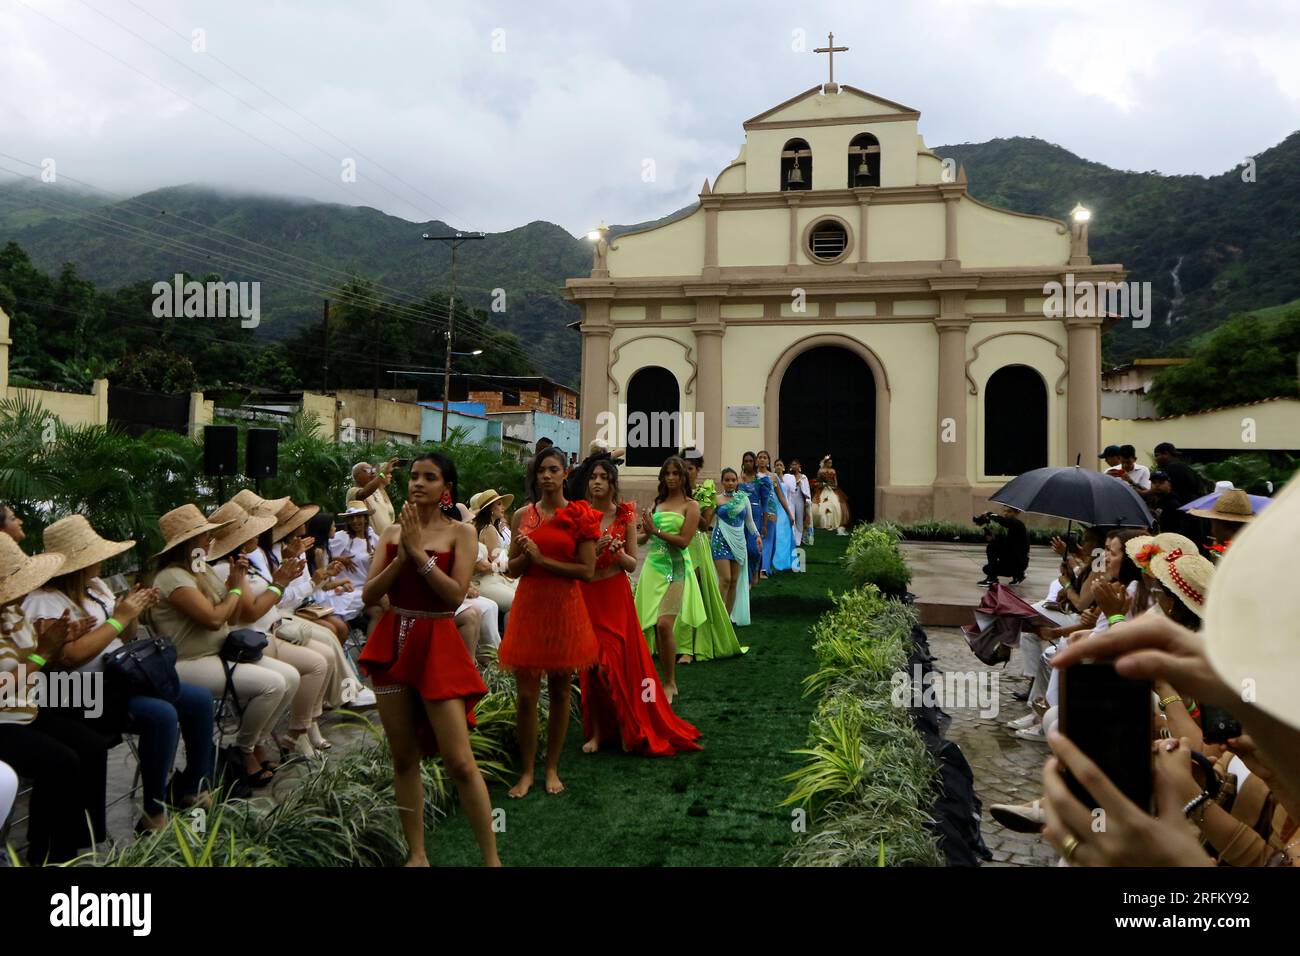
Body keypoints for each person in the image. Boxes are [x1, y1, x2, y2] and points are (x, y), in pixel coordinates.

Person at [23, 516, 214, 834]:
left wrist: (131, 613)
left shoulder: (95, 587)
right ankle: (154, 811)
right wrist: (119, 617)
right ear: (79, 564)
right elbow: (67, 658)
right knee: (161, 715)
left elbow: (124, 638)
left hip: (119, 677)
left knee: (198, 699)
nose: (103, 560)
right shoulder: (43, 601)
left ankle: (192, 785)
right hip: (74, 691)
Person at [358, 452, 500, 866]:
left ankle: (491, 858)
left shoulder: (462, 533)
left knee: (460, 761)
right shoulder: (391, 534)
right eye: (414, 476)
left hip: (437, 641)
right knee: (403, 758)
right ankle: (417, 855)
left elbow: (455, 595)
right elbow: (369, 596)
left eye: (429, 477)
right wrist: (401, 556)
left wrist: (418, 557)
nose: (417, 483)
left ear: (446, 488)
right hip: (393, 638)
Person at [147, 503, 299, 787]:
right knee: (272, 685)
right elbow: (214, 620)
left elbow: (237, 614)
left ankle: (252, 745)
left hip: (219, 653)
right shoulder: (172, 577)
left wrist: (235, 587)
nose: (210, 541)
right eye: (204, 537)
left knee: (290, 677)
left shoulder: (200, 569)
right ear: (189, 543)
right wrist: (236, 587)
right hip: (189, 662)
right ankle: (244, 751)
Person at [578, 458, 701, 756]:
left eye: (603, 477)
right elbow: (574, 560)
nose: (597, 482)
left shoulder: (624, 515)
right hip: (587, 595)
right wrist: (594, 551)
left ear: (612, 483)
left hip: (619, 593)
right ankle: (596, 731)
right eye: (593, 476)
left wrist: (617, 555)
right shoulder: (579, 516)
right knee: (591, 668)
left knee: (616, 663)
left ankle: (626, 723)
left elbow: (632, 562)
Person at [0, 535, 111, 864]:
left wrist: (59, 641)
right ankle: (47, 853)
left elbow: (36, 663)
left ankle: (78, 839)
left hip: (27, 707)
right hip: (5, 719)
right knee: (60, 760)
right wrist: (45, 652)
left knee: (90, 743)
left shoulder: (13, 613)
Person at [499, 447, 599, 798]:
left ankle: (552, 767)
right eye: (541, 469)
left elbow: (587, 572)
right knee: (526, 697)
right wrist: (526, 559)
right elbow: (511, 569)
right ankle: (527, 770)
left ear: (565, 473)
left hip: (564, 607)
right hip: (529, 606)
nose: (546, 475)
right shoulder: (522, 516)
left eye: (553, 469)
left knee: (559, 692)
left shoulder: (580, 514)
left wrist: (543, 559)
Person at [634, 456, 704, 704]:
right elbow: (644, 539)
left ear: (684, 477)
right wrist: (637, 530)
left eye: (676, 473)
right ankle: (653, 679)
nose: (672, 477)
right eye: (668, 474)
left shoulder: (691, 506)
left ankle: (670, 682)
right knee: (651, 626)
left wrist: (656, 532)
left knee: (664, 625)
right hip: (653, 567)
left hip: (676, 568)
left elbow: (684, 541)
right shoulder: (658, 503)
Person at [680, 452, 747, 662]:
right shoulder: (670, 492)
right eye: (682, 467)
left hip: (697, 544)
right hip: (674, 546)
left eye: (690, 468)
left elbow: (704, 523)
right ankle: (675, 641)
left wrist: (693, 507)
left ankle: (695, 643)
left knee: (696, 592)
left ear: (697, 470)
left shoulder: (705, 493)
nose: (683, 472)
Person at [711, 467, 759, 625]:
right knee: (725, 579)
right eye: (727, 480)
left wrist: (757, 536)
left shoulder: (743, 499)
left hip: (738, 542)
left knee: (734, 582)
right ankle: (717, 617)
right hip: (720, 541)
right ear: (722, 481)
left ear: (737, 481)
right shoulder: (716, 499)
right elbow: (705, 520)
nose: (730, 483)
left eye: (733, 480)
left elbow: (749, 521)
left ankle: (727, 618)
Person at [469, 490, 518, 616]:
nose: (503, 508)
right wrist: (517, 561)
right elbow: (498, 563)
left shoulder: (486, 527)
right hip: (486, 580)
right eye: (499, 504)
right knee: (518, 602)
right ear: (490, 508)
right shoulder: (489, 529)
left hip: (490, 578)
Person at [756, 451, 794, 574]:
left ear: (768, 461)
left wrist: (789, 513)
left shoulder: (773, 477)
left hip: (771, 511)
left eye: (765, 458)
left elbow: (781, 496)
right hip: (756, 511)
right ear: (757, 460)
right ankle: (756, 567)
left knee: (769, 540)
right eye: (760, 457)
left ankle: (764, 568)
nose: (762, 460)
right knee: (757, 539)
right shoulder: (753, 476)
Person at [976, 506, 1029, 587]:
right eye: (1004, 511)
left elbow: (1002, 521)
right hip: (1011, 562)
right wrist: (985, 528)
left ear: (1017, 513)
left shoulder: (1018, 524)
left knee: (991, 547)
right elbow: (1001, 542)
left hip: (1018, 563)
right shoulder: (1010, 526)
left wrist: (989, 514)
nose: (1005, 513)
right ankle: (1019, 575)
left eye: (1009, 511)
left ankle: (992, 579)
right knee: (987, 569)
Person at [347, 458, 400, 536]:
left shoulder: (378, 491)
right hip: (371, 543)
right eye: (368, 471)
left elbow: (379, 483)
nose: (372, 473)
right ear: (357, 476)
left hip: (387, 540)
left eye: (373, 470)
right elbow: (364, 493)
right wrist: (383, 473)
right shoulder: (352, 491)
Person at [737, 452, 767, 586]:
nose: (748, 463)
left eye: (750, 460)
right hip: (741, 515)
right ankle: (745, 579)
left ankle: (755, 571)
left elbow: (765, 503)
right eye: (746, 461)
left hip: (755, 515)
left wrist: (765, 523)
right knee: (743, 548)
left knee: (753, 549)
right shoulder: (738, 479)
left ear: (754, 462)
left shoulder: (761, 480)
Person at [814, 456, 851, 534]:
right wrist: (823, 484)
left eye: (831, 462)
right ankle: (824, 523)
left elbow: (836, 482)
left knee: (835, 504)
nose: (830, 464)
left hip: (832, 490)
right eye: (829, 462)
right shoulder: (821, 471)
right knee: (823, 505)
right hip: (824, 490)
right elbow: (817, 482)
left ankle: (833, 522)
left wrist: (833, 486)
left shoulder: (833, 471)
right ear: (825, 463)